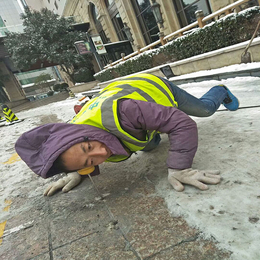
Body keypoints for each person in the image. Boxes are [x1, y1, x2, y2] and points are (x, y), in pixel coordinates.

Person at [15, 73, 239, 196]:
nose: (101, 152)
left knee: (204, 110)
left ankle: (221, 90)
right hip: (133, 110)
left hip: (154, 88)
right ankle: (152, 126)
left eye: (88, 147)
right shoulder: (75, 132)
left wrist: (179, 168)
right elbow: (78, 153)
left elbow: (182, 124)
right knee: (148, 145)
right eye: (90, 161)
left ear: (80, 136)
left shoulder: (122, 112)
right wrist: (77, 172)